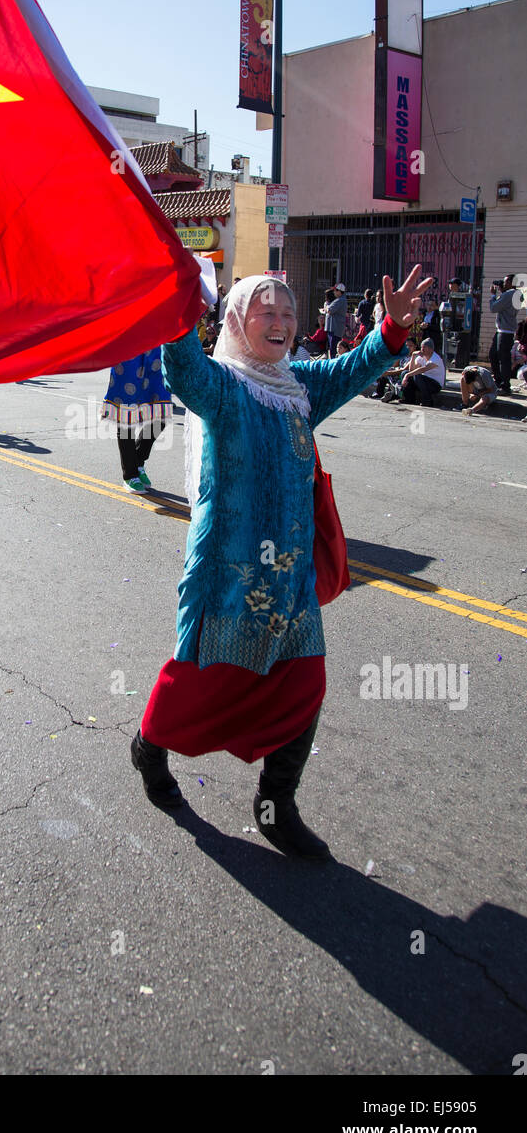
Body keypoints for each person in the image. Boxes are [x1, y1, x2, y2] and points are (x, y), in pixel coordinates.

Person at [130, 265, 431, 861]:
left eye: (289, 312)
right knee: (201, 679)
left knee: (305, 684)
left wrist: (392, 327)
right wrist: (175, 315)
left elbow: (354, 368)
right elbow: (183, 369)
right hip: (228, 571)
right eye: (267, 310)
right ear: (239, 320)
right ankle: (149, 746)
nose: (283, 322)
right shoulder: (222, 385)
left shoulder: (299, 386)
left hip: (290, 579)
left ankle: (276, 807)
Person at [102, 348, 171, 492]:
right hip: (129, 351)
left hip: (156, 351)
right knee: (126, 417)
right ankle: (130, 474)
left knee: (160, 416)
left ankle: (138, 462)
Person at [489, 275, 524, 394]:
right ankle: (499, 381)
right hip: (504, 330)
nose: (502, 285)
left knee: (503, 358)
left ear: (510, 283)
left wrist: (493, 295)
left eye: (504, 282)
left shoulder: (509, 294)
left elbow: (494, 308)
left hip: (505, 331)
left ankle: (505, 385)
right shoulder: (516, 294)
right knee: (494, 355)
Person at [400, 337, 446, 407]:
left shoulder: (436, 358)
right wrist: (413, 356)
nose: (422, 349)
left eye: (424, 347)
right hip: (423, 382)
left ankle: (427, 400)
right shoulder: (421, 356)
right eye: (421, 347)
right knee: (405, 373)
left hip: (435, 385)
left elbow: (423, 369)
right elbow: (411, 370)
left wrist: (407, 375)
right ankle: (409, 399)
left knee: (416, 375)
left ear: (431, 349)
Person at [323, 283, 348, 357]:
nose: (334, 292)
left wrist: (326, 306)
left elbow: (330, 310)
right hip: (334, 328)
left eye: (335, 290)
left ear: (340, 291)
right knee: (332, 348)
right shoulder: (339, 300)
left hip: (335, 328)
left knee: (334, 349)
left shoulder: (340, 300)